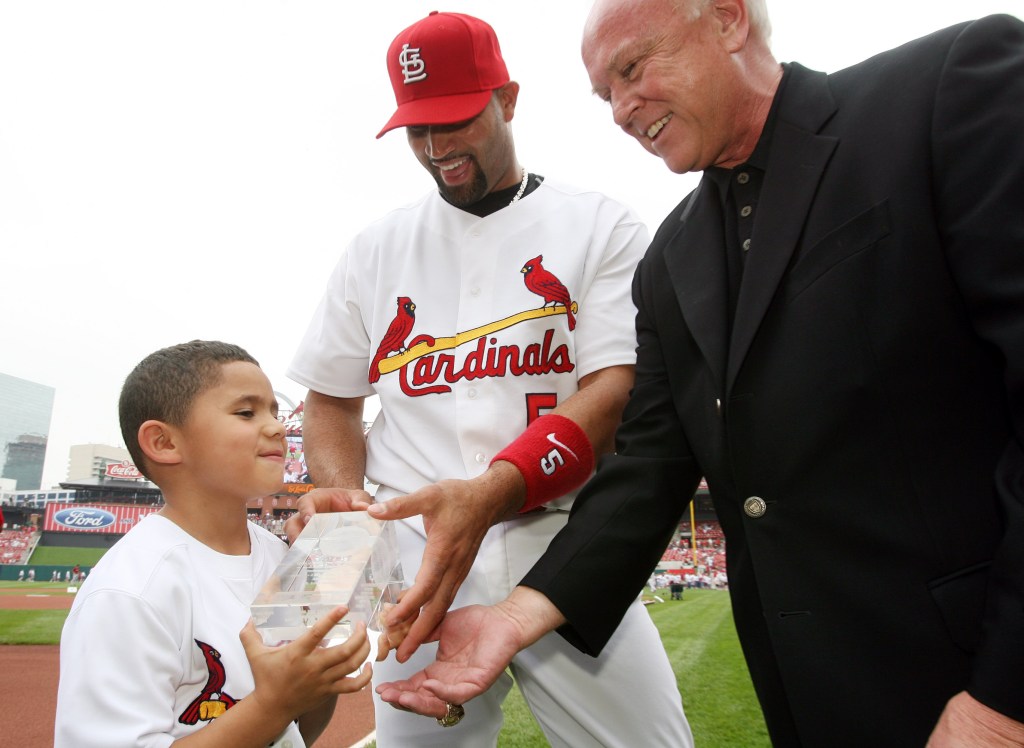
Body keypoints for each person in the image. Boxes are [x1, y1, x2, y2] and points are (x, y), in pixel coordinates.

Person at [373, 2, 1024, 746]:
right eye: (603, 94)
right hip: (818, 695)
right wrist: (515, 618)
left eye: (633, 67)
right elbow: (652, 462)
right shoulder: (670, 257)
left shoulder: (941, 92)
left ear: (728, 19)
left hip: (980, 671)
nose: (621, 109)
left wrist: (1003, 700)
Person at [285, 10, 692, 747]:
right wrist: (341, 491)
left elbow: (615, 393)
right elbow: (330, 397)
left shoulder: (598, 224)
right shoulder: (375, 249)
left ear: (507, 98)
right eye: (417, 129)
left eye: (456, 119)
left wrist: (490, 492)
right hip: (417, 568)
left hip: (559, 545)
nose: (438, 147)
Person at [55, 340, 374, 747]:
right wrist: (272, 704)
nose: (277, 427)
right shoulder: (130, 589)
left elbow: (299, 730)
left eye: (275, 411)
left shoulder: (281, 557)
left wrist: (324, 652)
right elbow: (278, 710)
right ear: (164, 443)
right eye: (246, 412)